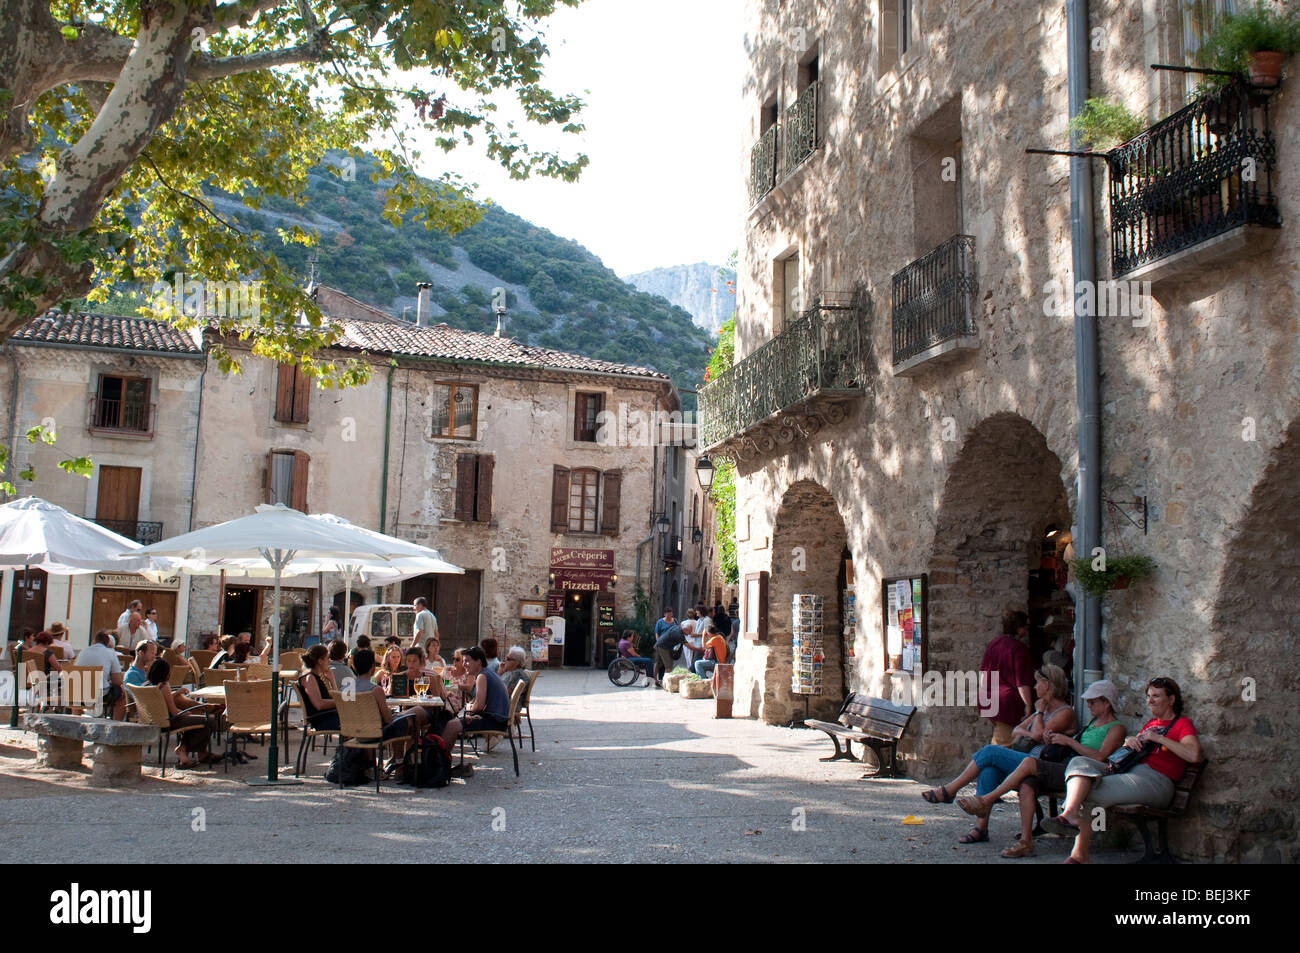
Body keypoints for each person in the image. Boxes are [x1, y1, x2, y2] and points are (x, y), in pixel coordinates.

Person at [961, 679, 1126, 858]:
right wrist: (1057, 739)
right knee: (1026, 782)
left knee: (1022, 761)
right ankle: (1025, 842)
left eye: (1093, 702)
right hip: (1066, 767)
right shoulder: (1091, 724)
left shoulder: (1115, 728)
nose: (1089, 705)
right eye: (1088, 701)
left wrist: (1068, 741)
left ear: (1107, 703)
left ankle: (984, 799)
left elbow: (1100, 756)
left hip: (1082, 774)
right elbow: (1020, 731)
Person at [1044, 676, 1200, 864]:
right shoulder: (1151, 724)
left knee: (1088, 790)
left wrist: (1159, 739)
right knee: (1079, 763)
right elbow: (1136, 752)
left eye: (1156, 696)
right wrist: (1130, 742)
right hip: (1130, 772)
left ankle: (1078, 851)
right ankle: (1071, 816)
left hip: (1157, 782)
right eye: (1148, 696)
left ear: (1172, 699)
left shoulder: (1182, 724)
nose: (1150, 701)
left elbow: (1193, 755)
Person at [923, 664, 1076, 844]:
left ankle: (950, 790)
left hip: (1041, 764)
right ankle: (981, 828)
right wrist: (1035, 724)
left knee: (990, 752)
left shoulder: (1063, 712)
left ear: (1048, 685)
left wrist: (1039, 715)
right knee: (989, 770)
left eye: (1038, 683)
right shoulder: (1041, 710)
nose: (1034, 687)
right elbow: (1016, 732)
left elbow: (1035, 734)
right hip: (1027, 760)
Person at [441, 645, 509, 777]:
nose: (465, 664)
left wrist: (467, 708)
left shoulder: (482, 676)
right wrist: (469, 707)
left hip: (494, 720)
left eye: (467, 661)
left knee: (450, 726)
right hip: (497, 718)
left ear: (478, 661)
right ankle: (444, 763)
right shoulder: (486, 673)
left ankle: (441, 764)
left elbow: (478, 705)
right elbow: (478, 701)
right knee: (454, 722)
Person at [145, 659, 219, 767]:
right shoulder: (164, 686)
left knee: (196, 719)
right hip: (169, 722)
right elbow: (174, 712)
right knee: (209, 720)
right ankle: (183, 749)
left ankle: (196, 752)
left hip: (155, 721)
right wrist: (185, 712)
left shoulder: (148, 685)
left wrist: (175, 694)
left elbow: (162, 700)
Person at [978, 608, 1033, 745]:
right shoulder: (1018, 648)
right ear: (1019, 628)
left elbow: (983, 674)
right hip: (1007, 704)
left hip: (990, 699)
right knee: (1003, 746)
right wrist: (1028, 705)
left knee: (999, 738)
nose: (1026, 631)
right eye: (1025, 627)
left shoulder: (993, 644)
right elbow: (1021, 682)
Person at [76, 630, 126, 719]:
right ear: (107, 644)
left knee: (78, 690)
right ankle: (115, 725)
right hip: (98, 694)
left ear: (94, 641)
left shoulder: (83, 652)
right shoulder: (111, 654)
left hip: (76, 693)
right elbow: (117, 681)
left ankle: (75, 718)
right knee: (122, 695)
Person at [297, 644, 340, 731]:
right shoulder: (310, 678)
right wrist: (340, 702)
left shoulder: (316, 677)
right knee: (355, 721)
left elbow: (335, 695)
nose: (329, 661)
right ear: (320, 661)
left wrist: (332, 680)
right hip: (322, 720)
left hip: (329, 715)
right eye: (327, 658)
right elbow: (319, 704)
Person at [652, 617, 687, 686]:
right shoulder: (660, 622)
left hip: (663, 644)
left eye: (671, 613)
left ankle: (658, 680)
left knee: (659, 663)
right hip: (664, 646)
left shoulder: (675, 621)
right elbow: (657, 632)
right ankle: (666, 683)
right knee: (668, 665)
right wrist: (657, 642)